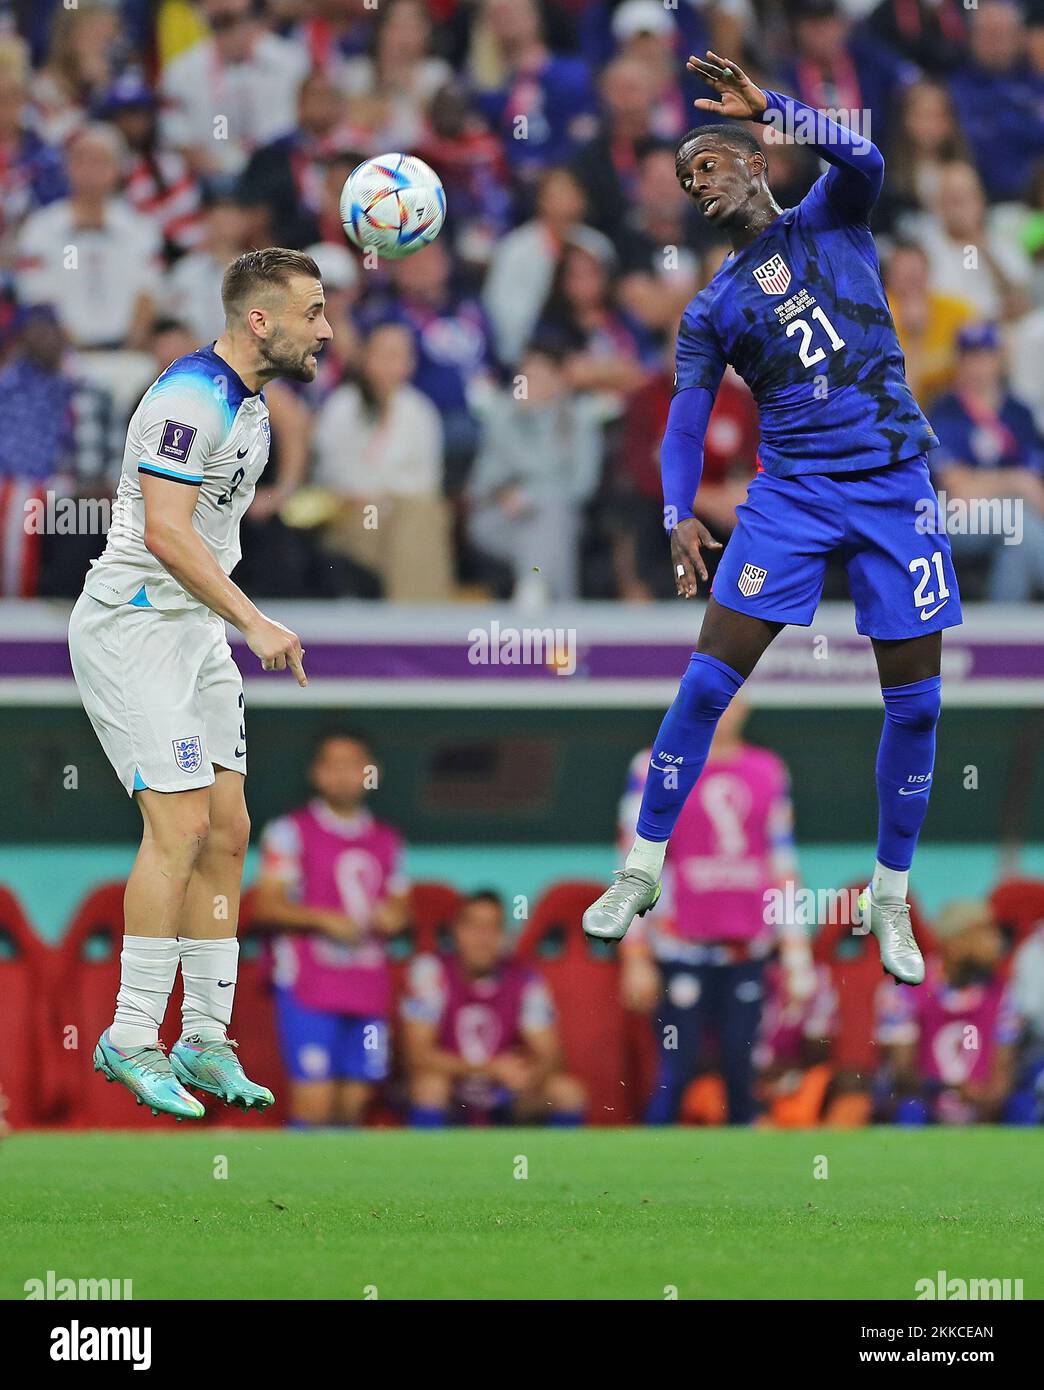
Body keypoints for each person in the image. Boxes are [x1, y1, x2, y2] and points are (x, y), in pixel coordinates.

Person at [583, 51, 962, 990]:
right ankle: (640, 870)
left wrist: (776, 108)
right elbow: (683, 420)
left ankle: (888, 890)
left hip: (894, 484)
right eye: (683, 181)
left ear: (756, 162)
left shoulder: (832, 217)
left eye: (709, 164)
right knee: (708, 685)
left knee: (916, 701)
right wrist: (678, 511)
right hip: (792, 496)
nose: (695, 184)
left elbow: (867, 160)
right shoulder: (710, 309)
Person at [67, 246, 332, 1120]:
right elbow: (170, 535)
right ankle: (132, 1035)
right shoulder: (189, 399)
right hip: (136, 626)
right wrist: (252, 619)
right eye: (314, 312)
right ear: (261, 320)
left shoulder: (255, 405)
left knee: (227, 828)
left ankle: (206, 1036)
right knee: (177, 824)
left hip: (194, 632)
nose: (326, 331)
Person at [614, 698, 812, 1124]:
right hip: (679, 946)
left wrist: (797, 957)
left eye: (736, 697)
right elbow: (635, 862)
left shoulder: (768, 770)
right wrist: (634, 955)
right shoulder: (654, 765)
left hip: (747, 949)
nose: (725, 707)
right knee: (675, 1071)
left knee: (743, 1071)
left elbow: (782, 863)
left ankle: (748, 1182)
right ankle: (647, 1180)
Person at [255, 731, 410, 1127]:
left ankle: (339, 1189)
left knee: (355, 1104)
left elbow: (400, 903)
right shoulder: (290, 831)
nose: (343, 775)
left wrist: (394, 916)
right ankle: (290, 1188)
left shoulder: (387, 839)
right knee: (315, 1103)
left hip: (366, 983)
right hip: (309, 981)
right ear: (317, 774)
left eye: (353, 764)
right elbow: (266, 904)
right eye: (333, 765)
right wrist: (324, 919)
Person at [401, 890, 586, 1127]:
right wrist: (487, 1069)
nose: (483, 938)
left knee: (567, 1092)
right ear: (457, 931)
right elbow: (417, 1055)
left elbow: (550, 1054)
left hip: (504, 1094)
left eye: (492, 928)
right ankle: (427, 1162)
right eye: (474, 927)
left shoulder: (525, 979)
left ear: (504, 935)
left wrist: (526, 1075)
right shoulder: (431, 973)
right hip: (453, 1090)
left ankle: (556, 1164)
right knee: (430, 1087)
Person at [875, 900, 1021, 1124]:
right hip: (925, 1103)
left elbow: (1003, 1065)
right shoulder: (906, 988)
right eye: (984, 933)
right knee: (909, 1109)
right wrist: (951, 1089)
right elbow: (902, 1071)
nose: (997, 943)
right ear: (954, 943)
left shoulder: (1002, 994)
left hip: (981, 1107)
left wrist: (989, 1096)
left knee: (1021, 1107)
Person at [929, 322, 1044, 602]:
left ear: (1000, 360)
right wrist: (1016, 482)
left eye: (986, 355)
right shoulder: (944, 410)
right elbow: (959, 488)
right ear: (959, 361)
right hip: (951, 516)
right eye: (971, 356)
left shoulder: (1019, 413)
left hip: (1016, 517)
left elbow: (1037, 486)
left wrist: (1012, 485)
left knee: (1017, 547)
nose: (979, 365)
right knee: (1017, 522)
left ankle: (1002, 636)